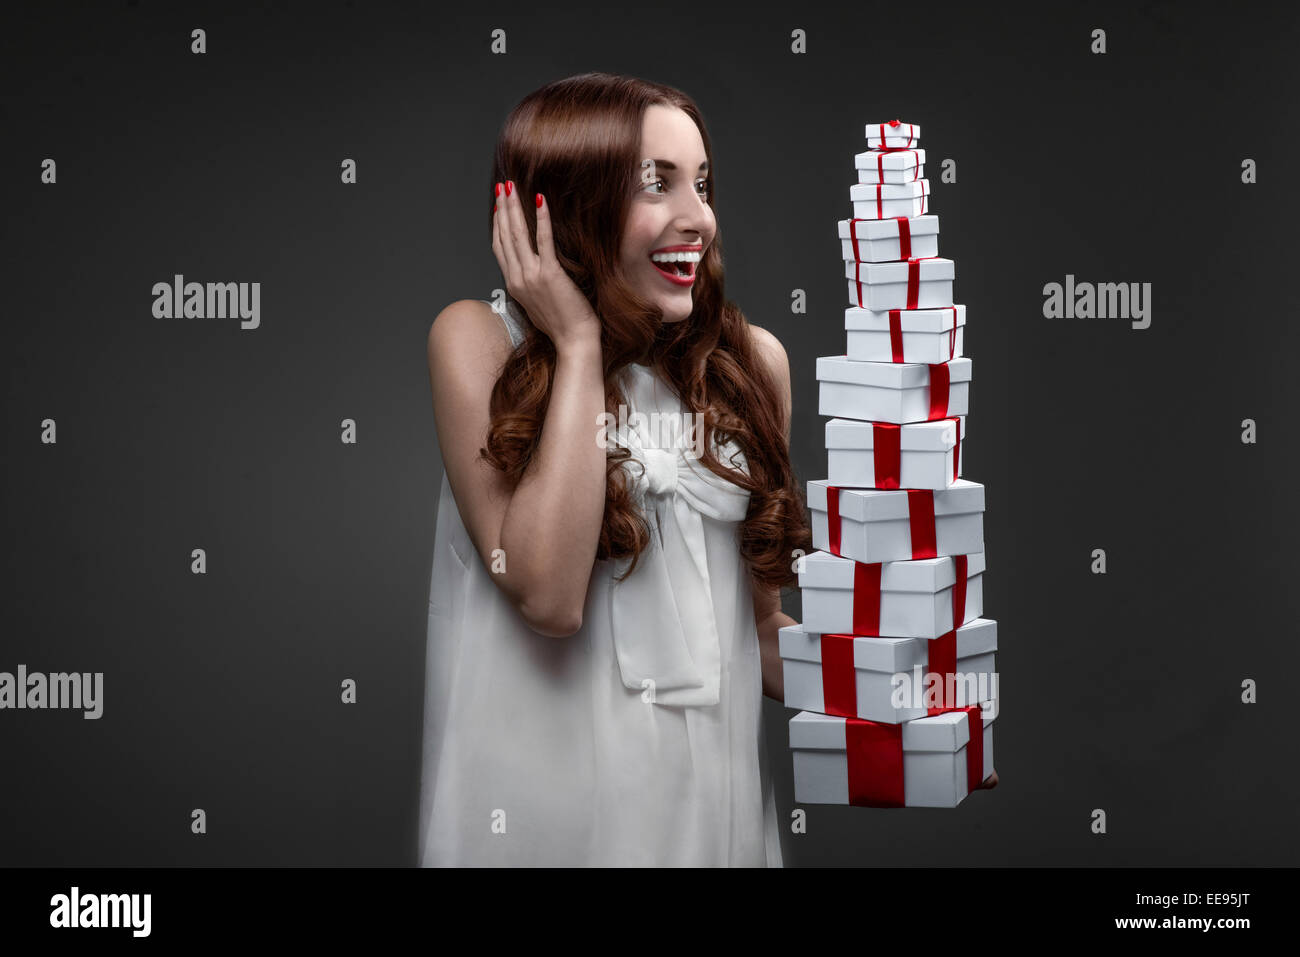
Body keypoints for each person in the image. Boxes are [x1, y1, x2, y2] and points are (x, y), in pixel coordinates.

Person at [417, 72, 811, 866]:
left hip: (710, 823)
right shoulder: (476, 341)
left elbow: (761, 626)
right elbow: (549, 596)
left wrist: (907, 704)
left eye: (701, 184)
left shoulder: (753, 364)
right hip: (544, 827)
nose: (697, 217)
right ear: (563, 206)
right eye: (654, 184)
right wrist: (579, 342)